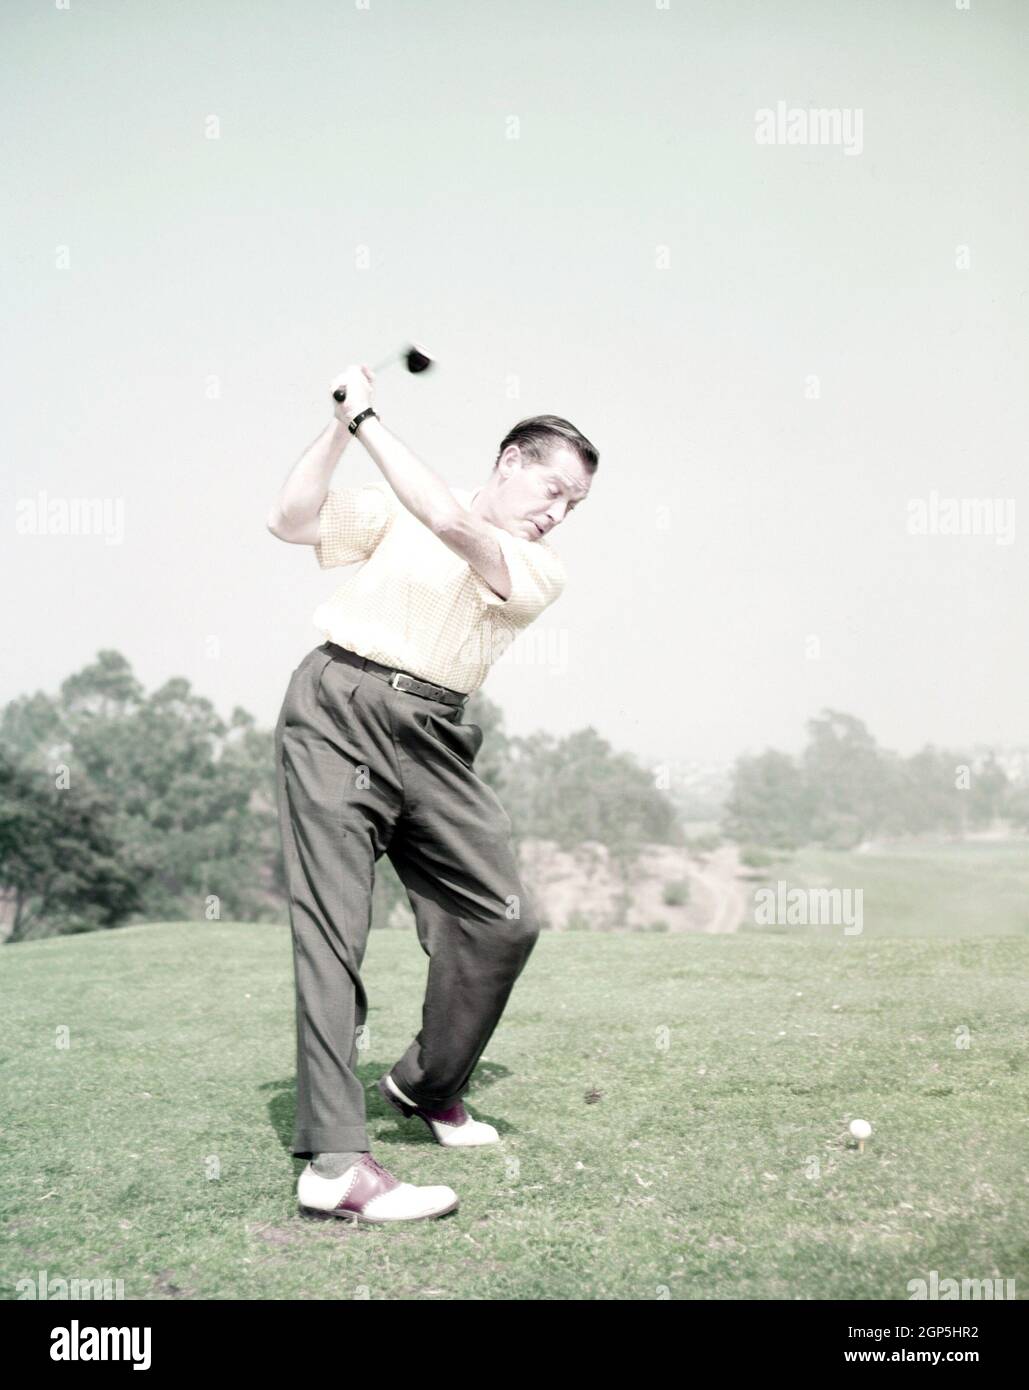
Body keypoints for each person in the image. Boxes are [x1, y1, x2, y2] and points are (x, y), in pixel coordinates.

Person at [267, 362, 598, 1224]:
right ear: (511, 460)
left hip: (435, 737)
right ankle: (336, 1163)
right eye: (553, 487)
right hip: (335, 709)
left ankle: (424, 1084)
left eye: (574, 504)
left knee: (503, 916)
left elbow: (447, 520)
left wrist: (369, 413)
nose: (558, 512)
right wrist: (339, 424)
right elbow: (290, 518)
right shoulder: (407, 506)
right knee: (333, 931)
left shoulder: (534, 565)